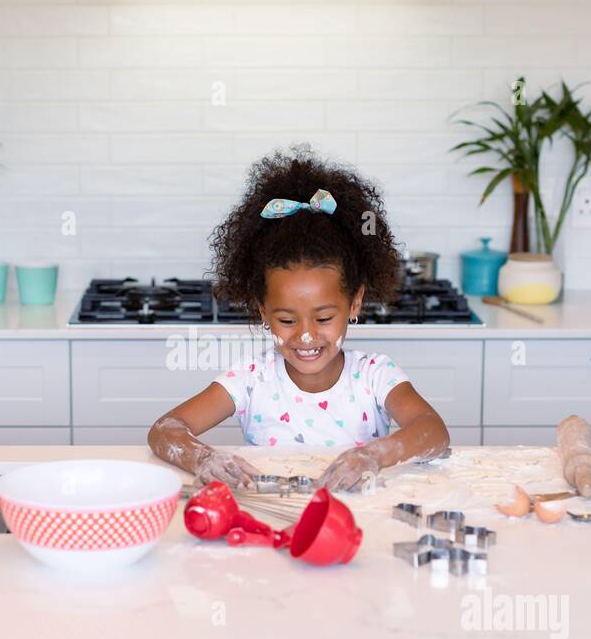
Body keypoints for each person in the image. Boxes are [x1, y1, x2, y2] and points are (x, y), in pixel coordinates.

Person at [147, 148, 450, 492]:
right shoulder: (251, 380)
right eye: (287, 320)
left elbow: (434, 431)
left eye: (323, 317)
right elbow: (165, 429)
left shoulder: (374, 376)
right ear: (263, 311)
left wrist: (373, 456)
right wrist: (203, 458)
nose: (306, 335)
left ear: (355, 303)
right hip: (273, 519)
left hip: (357, 522)